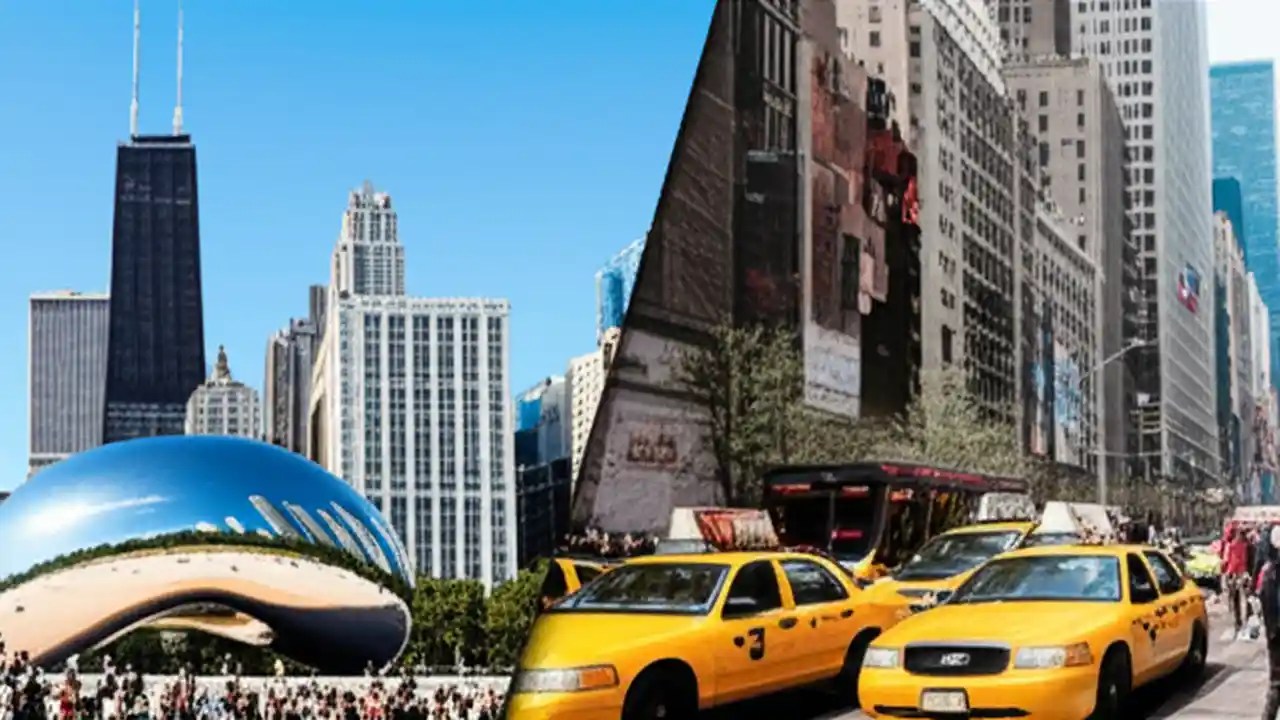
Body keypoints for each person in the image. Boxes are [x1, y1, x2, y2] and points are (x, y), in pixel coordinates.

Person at [1259, 525, 1280, 718]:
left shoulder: (1267, 574)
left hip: (1274, 634)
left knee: (1276, 684)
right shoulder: (1271, 575)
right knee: (1276, 685)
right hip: (1276, 634)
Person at [1224, 526, 1252, 638]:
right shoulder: (1245, 546)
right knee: (1246, 596)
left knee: (1236, 598)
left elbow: (1228, 560)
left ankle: (1239, 621)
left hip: (1235, 573)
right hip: (1242, 572)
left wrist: (1228, 573)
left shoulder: (1231, 545)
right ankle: (1246, 618)